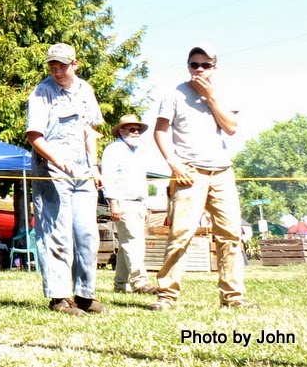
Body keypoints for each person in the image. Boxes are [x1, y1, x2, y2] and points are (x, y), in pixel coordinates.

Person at [150, 44, 257, 311]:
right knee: (180, 234)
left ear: (214, 68)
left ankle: (233, 298)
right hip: (190, 172)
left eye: (205, 65)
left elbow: (230, 129)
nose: (199, 69)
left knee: (230, 235)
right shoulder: (174, 95)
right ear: (188, 67)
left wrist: (211, 97)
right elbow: (160, 132)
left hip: (221, 171)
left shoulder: (222, 94)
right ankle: (167, 296)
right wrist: (173, 162)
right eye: (194, 64)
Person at [26, 43, 106, 315]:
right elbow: (34, 136)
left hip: (83, 173)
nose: (58, 71)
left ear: (75, 64)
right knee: (57, 234)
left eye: (63, 66)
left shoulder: (85, 90)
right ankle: (59, 297)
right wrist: (56, 159)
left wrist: (94, 166)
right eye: (53, 66)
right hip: (52, 173)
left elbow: (89, 130)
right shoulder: (41, 93)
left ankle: (85, 294)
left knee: (86, 233)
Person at [100, 114, 158, 295]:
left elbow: (142, 181)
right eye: (132, 129)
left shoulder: (139, 152)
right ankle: (140, 283)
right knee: (134, 243)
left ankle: (120, 283)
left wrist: (146, 204)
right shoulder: (113, 150)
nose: (136, 132)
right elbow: (107, 179)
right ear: (121, 131)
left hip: (138, 204)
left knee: (128, 243)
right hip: (123, 203)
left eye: (138, 130)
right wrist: (114, 204)